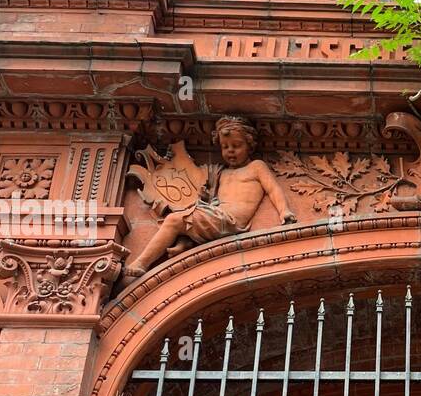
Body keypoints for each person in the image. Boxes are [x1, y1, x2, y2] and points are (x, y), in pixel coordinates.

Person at [125, 116, 295, 279]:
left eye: (237, 145)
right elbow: (200, 184)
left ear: (250, 146)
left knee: (174, 220)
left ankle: (142, 262)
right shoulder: (221, 172)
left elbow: (273, 189)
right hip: (216, 214)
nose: (230, 151)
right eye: (225, 146)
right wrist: (170, 159)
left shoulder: (256, 167)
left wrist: (284, 211)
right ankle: (186, 242)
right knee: (189, 214)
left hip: (230, 220)